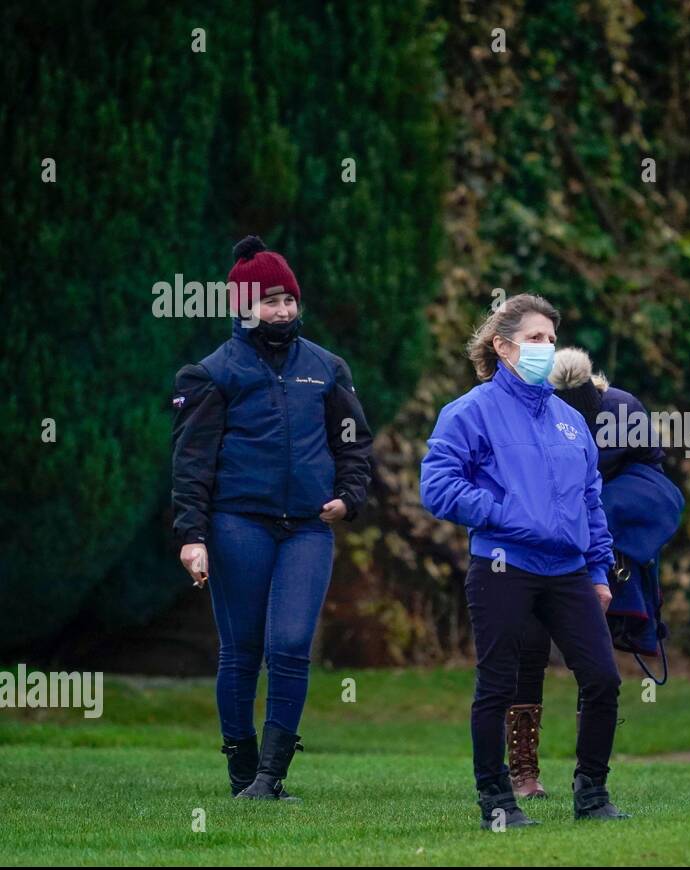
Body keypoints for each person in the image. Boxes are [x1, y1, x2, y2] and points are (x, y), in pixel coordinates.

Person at [171, 235, 374, 801]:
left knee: (289, 644)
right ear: (244, 306)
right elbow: (192, 463)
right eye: (270, 301)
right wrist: (192, 535)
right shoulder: (210, 373)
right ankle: (242, 768)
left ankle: (271, 777)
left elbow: (354, 442)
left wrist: (348, 497)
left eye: (289, 301)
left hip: (308, 527)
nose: (282, 311)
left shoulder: (327, 368)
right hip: (238, 524)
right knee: (242, 650)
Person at [420, 295, 630, 828]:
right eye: (536, 339)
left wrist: (600, 570)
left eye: (551, 340)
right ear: (502, 345)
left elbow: (590, 500)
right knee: (497, 684)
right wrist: (504, 512)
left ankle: (592, 794)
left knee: (603, 679)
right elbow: (437, 486)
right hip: (501, 566)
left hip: (569, 572)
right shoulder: (469, 411)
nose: (547, 349)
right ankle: (496, 801)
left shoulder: (569, 420)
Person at [505, 347, 669, 799]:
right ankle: (522, 772)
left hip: (594, 549)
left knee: (594, 664)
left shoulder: (621, 408)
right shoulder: (516, 410)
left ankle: (589, 777)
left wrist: (623, 530)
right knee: (527, 653)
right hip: (529, 548)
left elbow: (650, 470)